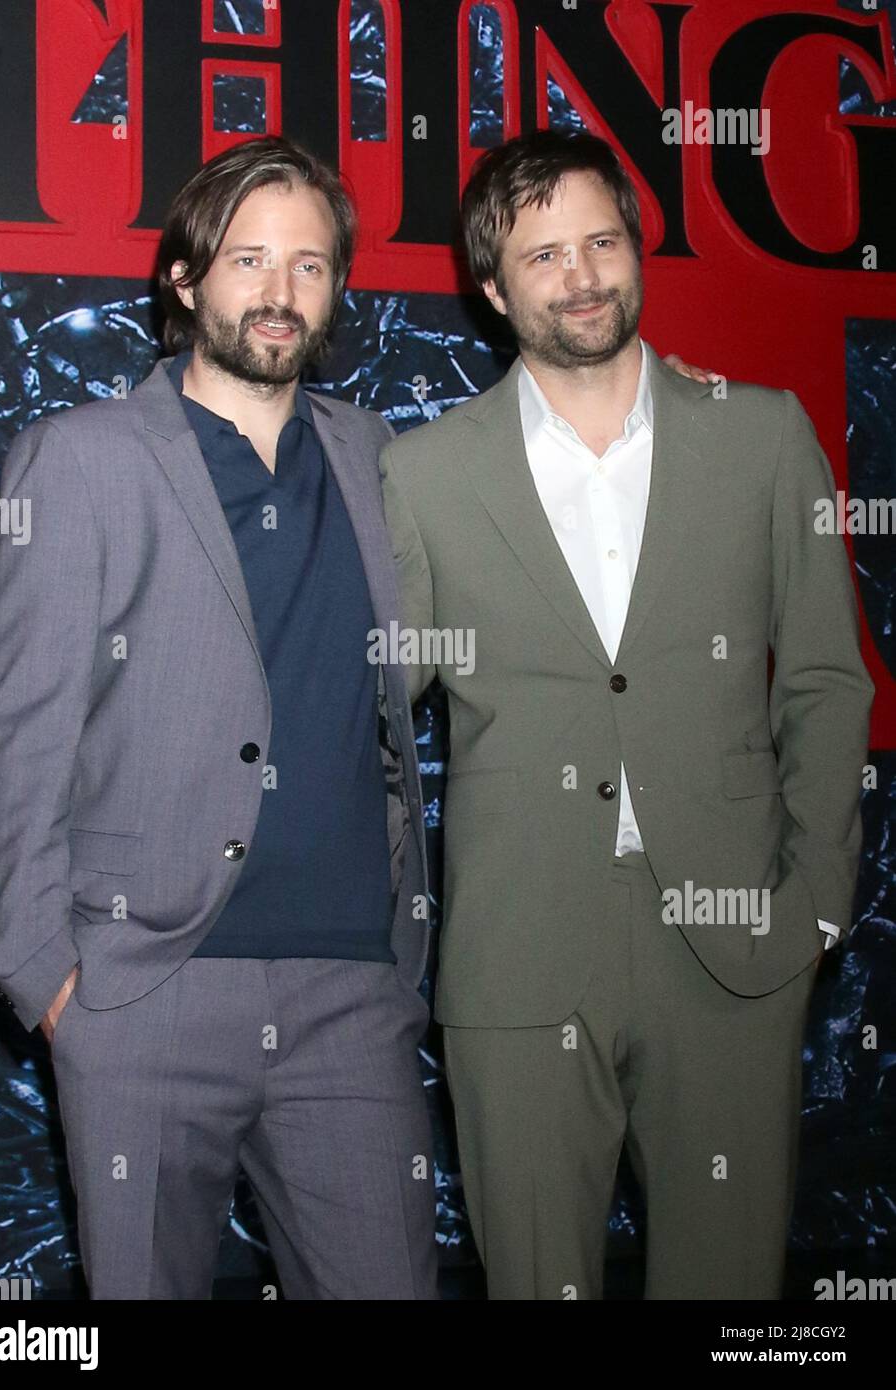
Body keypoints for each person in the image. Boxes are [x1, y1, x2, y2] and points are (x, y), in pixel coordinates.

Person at [379, 128, 874, 1299]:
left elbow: (824, 681)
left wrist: (814, 907)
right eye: (543, 255)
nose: (582, 275)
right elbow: (378, 706)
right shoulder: (425, 472)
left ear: (634, 251)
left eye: (600, 240)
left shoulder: (761, 437)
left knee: (728, 1289)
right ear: (494, 291)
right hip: (516, 951)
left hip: (735, 942)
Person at [0, 135, 436, 1300]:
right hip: (144, 987)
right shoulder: (77, 461)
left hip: (351, 991)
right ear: (186, 280)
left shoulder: (377, 458)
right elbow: (21, 739)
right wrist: (51, 981)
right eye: (249, 260)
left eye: (310, 266)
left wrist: (401, 951)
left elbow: (396, 716)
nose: (280, 293)